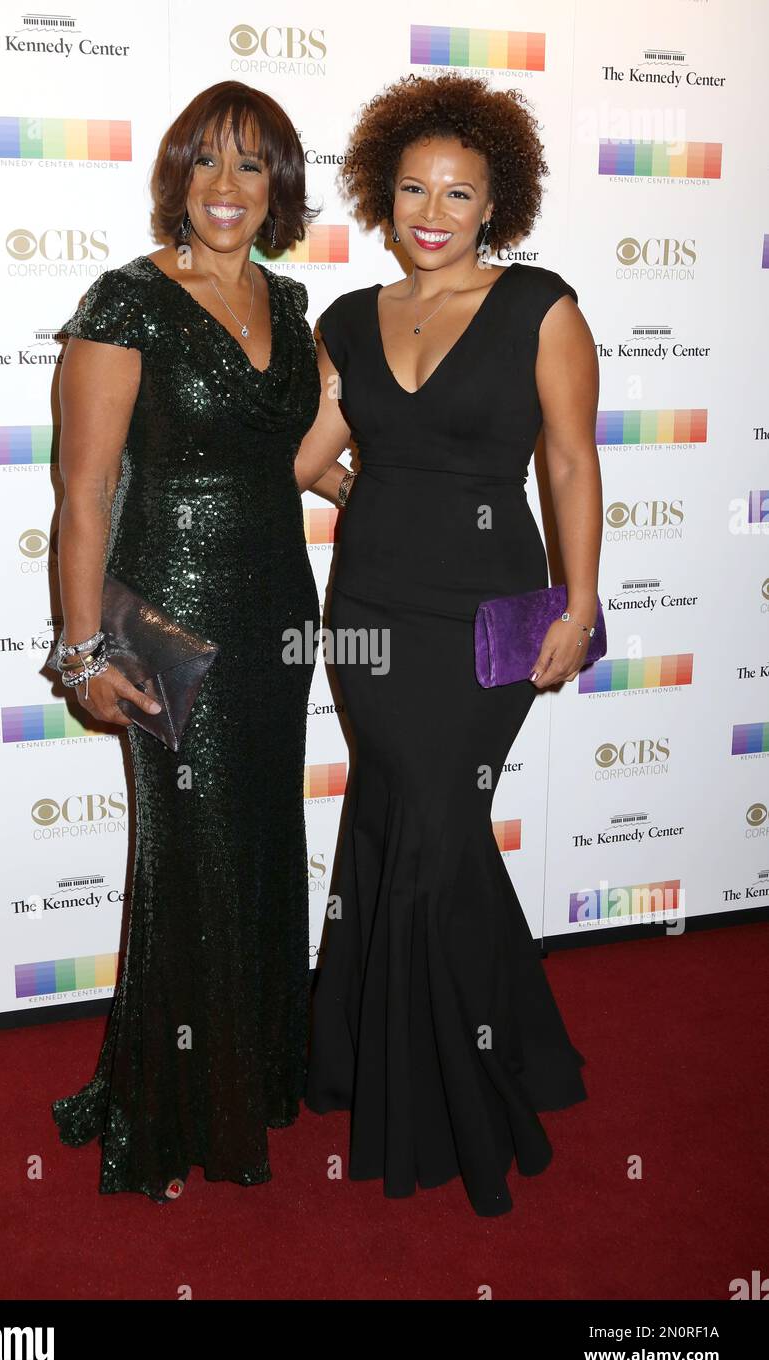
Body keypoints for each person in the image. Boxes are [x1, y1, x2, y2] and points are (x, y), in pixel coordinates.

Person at [294, 72, 602, 1217]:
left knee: (429, 822)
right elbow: (308, 453)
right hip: (368, 605)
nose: (433, 210)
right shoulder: (344, 320)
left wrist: (576, 605)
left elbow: (569, 462)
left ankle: (450, 1092)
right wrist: (355, 485)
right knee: (399, 817)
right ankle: (472, 1044)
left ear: (494, 205)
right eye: (413, 187)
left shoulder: (539, 307)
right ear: (383, 194)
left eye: (459, 193)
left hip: (484, 616)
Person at [50, 81, 321, 1203]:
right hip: (170, 622)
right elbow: (81, 491)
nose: (225, 187)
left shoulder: (293, 300)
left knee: (258, 845)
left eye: (251, 165)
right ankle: (169, 1108)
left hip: (280, 619)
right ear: (175, 175)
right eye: (204, 161)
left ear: (278, 187)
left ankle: (248, 1075)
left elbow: (291, 455)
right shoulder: (124, 303)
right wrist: (81, 651)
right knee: (187, 858)